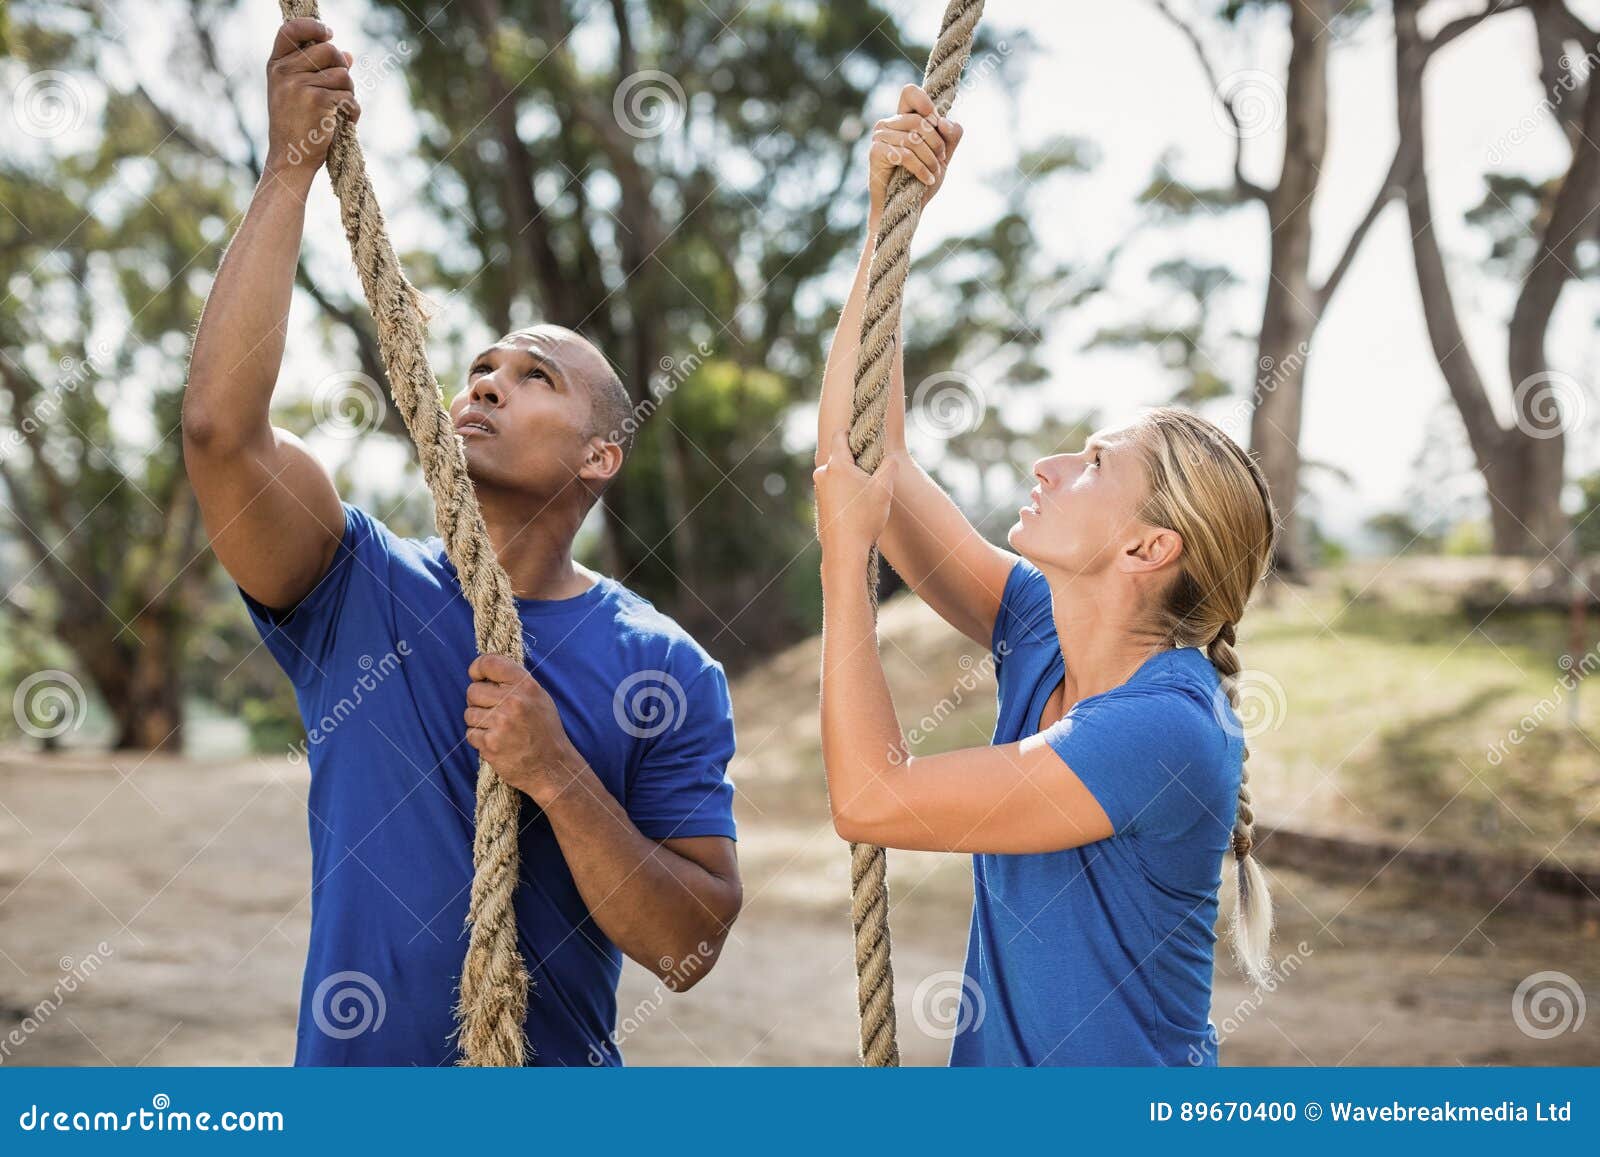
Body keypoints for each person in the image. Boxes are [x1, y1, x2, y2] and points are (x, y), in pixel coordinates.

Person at [182, 17, 741, 1066]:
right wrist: (288, 170)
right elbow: (221, 432)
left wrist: (559, 774)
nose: (487, 379)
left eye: (537, 376)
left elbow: (686, 947)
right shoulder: (355, 587)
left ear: (601, 456)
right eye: (482, 365)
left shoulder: (663, 664)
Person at [812, 84, 1277, 1067]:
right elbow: (871, 462)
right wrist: (885, 225)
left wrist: (842, 563)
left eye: (1093, 462)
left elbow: (871, 797)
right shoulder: (1040, 630)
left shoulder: (1163, 729)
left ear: (1149, 548)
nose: (1048, 467)